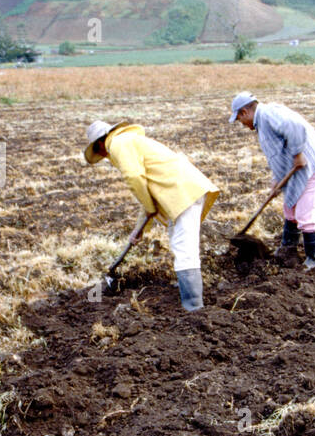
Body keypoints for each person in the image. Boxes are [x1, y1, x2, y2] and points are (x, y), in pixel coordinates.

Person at [84, 120, 219, 311]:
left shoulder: (118, 143)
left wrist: (148, 207)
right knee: (180, 244)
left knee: (184, 249)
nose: (103, 155)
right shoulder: (128, 141)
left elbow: (134, 177)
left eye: (98, 151)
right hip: (181, 192)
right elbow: (146, 194)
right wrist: (139, 230)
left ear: (99, 143)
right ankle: (188, 292)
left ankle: (194, 307)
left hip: (182, 192)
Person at [229, 93, 315, 270]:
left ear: (244, 112)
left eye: (240, 120)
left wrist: (298, 154)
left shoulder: (269, 113)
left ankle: (313, 260)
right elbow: (278, 154)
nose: (242, 124)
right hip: (297, 175)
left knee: (307, 215)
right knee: (290, 210)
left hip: (312, 170)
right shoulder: (262, 123)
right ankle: (287, 250)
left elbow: (295, 127)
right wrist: (276, 181)